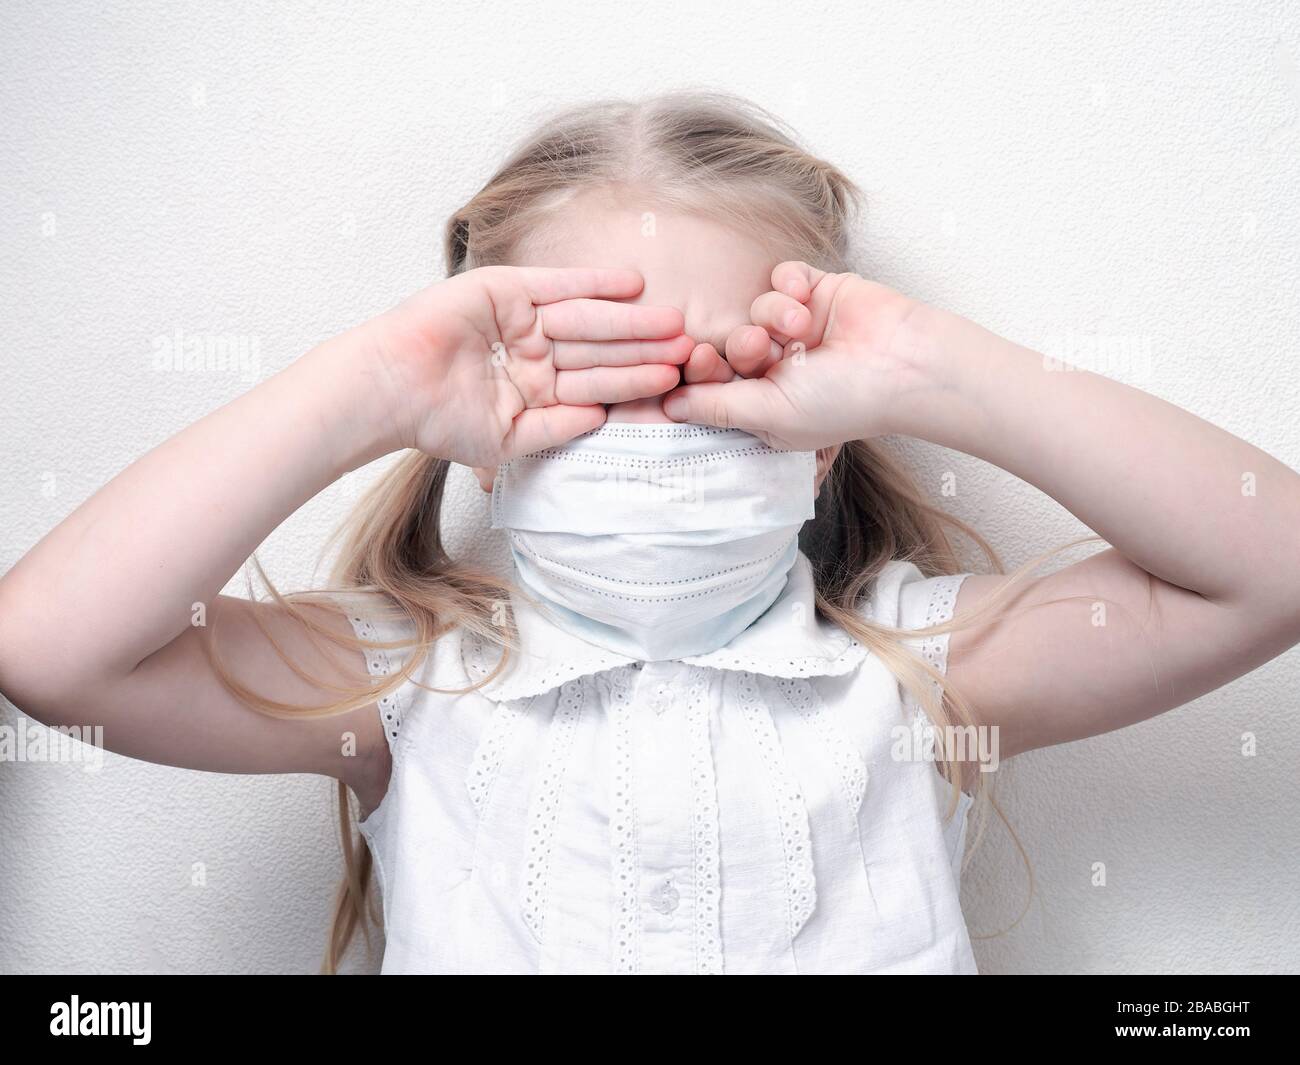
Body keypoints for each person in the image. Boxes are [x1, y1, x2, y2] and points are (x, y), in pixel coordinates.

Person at [3, 92, 1298, 975]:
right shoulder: (408, 684)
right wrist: (375, 388)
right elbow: (52, 650)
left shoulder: (912, 671)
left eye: (710, 385)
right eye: (600, 384)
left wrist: (931, 368)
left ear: (823, 434)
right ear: (484, 429)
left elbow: (1269, 563)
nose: (657, 430)